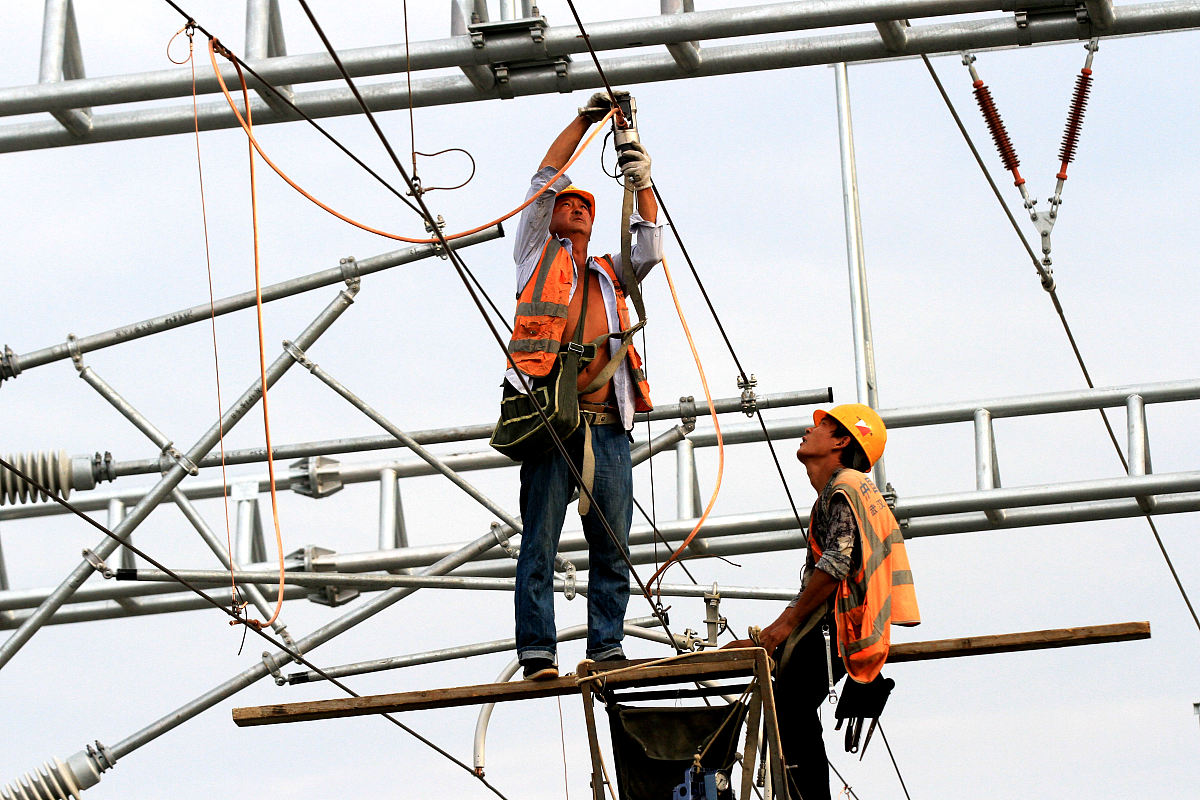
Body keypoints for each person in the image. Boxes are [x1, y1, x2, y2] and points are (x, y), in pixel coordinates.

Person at [508, 92, 662, 681]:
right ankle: (537, 652)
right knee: (539, 542)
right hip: (552, 419)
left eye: (585, 205)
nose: (575, 206)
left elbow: (648, 245)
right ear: (549, 217)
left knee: (613, 544)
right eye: (567, 203)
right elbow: (544, 179)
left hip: (607, 424)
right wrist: (585, 120)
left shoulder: (608, 273)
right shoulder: (534, 257)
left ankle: (607, 646)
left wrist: (641, 180)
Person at [726, 403, 920, 800]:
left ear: (842, 441)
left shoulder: (844, 486)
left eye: (822, 426)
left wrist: (781, 629)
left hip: (845, 620)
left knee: (790, 709)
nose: (808, 430)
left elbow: (835, 565)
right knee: (789, 709)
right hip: (849, 618)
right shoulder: (845, 491)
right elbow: (824, 575)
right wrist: (770, 635)